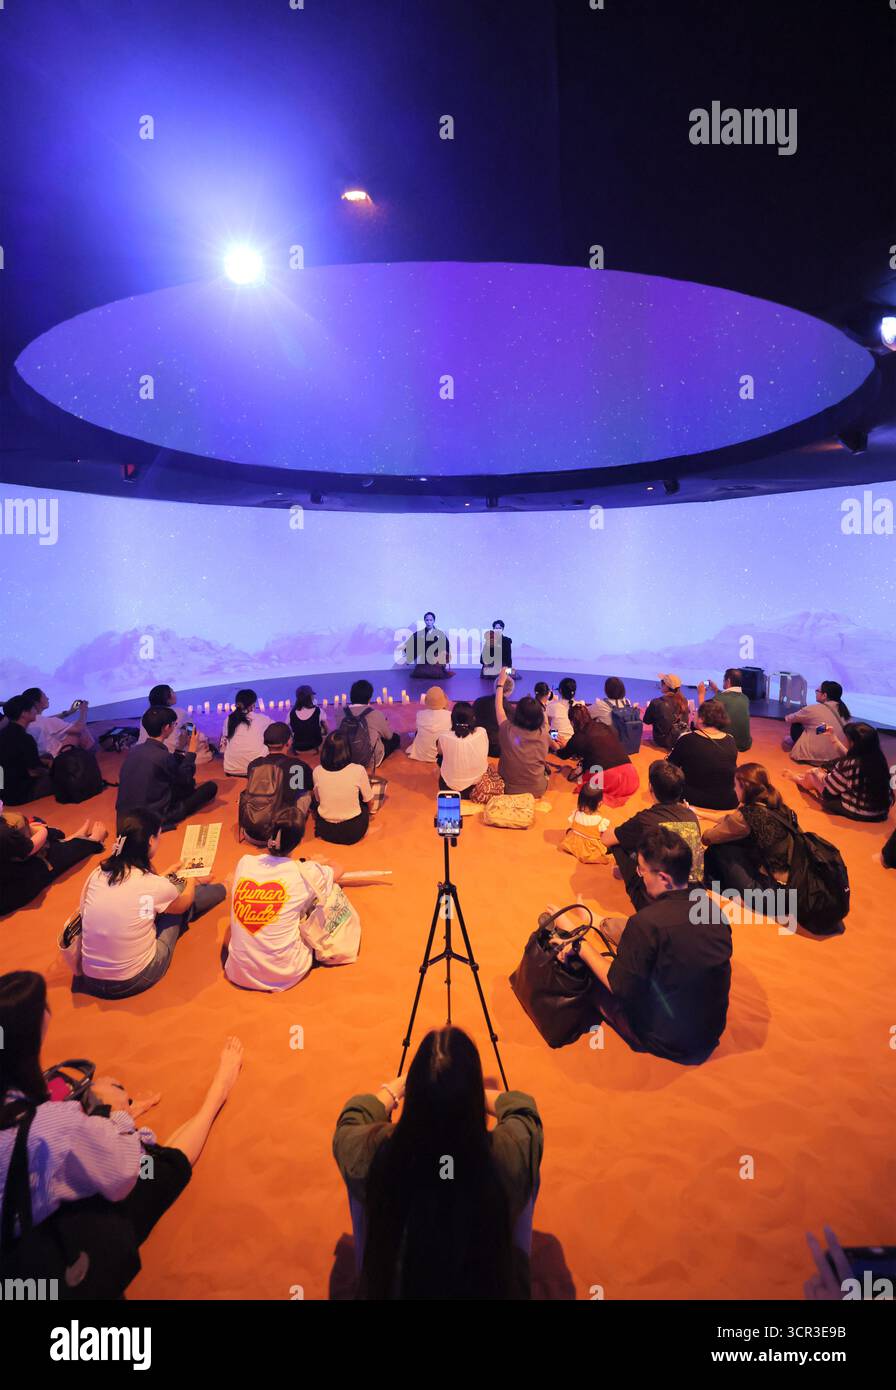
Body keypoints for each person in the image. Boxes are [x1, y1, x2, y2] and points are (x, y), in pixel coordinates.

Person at [0, 970, 242, 1298]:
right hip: (52, 1253)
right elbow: (124, 1173)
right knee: (156, 1166)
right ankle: (218, 1093)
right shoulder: (55, 1123)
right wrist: (111, 1116)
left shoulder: (25, 1103)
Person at [332, 1026, 543, 1299]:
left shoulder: (375, 1152)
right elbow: (523, 1110)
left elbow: (351, 1120)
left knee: (365, 1177)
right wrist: (466, 1091)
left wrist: (398, 1089)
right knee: (527, 1167)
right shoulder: (507, 1153)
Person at [551, 827, 732, 1063]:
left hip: (667, 1039)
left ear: (664, 878)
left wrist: (580, 945)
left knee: (583, 972)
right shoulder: (714, 912)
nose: (640, 875)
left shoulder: (647, 924)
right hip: (708, 1034)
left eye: (642, 870)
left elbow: (618, 986)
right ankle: (594, 924)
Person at [74, 809, 226, 1000]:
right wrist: (192, 878)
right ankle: (224, 888)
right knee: (175, 905)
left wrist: (170, 875)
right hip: (131, 979)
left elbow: (138, 893)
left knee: (161, 898)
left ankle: (215, 889)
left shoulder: (98, 874)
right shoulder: (151, 884)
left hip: (91, 979)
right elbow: (183, 904)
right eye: (159, 836)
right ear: (151, 841)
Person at [225, 826, 346, 991]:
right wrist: (318, 861)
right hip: (286, 972)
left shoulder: (245, 862)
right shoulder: (304, 872)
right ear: (299, 842)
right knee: (326, 893)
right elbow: (338, 869)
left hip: (238, 972)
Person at [602, 760, 703, 909]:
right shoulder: (691, 816)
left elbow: (606, 839)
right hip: (694, 894)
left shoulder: (645, 819)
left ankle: (628, 875)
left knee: (619, 842)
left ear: (651, 788)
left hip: (656, 902)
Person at [702, 763, 799, 897]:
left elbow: (707, 838)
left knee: (720, 848)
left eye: (736, 785)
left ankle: (719, 886)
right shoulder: (780, 807)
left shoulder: (745, 817)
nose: (734, 789)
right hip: (795, 877)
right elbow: (731, 819)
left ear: (744, 788)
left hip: (773, 890)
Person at [116, 706, 217, 832]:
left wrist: (180, 748)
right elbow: (185, 778)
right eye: (173, 724)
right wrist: (191, 750)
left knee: (181, 784)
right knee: (210, 787)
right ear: (166, 728)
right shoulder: (163, 756)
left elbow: (172, 770)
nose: (175, 727)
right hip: (155, 817)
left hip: (125, 816)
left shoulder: (136, 750)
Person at [0, 814, 108, 917]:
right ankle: (92, 841)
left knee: (37, 828)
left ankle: (71, 839)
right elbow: (29, 847)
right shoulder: (3, 833)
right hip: (11, 890)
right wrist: (43, 830)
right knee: (48, 860)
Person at [790, 722, 894, 823]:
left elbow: (830, 789)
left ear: (853, 743)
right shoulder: (878, 759)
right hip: (880, 813)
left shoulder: (849, 764)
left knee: (812, 776)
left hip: (858, 812)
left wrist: (816, 773)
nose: (845, 740)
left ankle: (799, 780)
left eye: (847, 739)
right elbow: (848, 756)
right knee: (828, 774)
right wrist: (832, 737)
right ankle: (805, 778)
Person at [551, 703, 639, 807]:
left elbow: (563, 755)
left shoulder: (578, 737)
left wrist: (556, 747)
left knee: (587, 781)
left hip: (607, 778)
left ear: (572, 722)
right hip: (631, 776)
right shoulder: (604, 726)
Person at [667, 700, 739, 810]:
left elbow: (670, 766)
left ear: (701, 719)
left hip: (693, 797)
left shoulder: (686, 738)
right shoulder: (731, 739)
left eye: (696, 713)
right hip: (727, 800)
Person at [313, 731, 377, 844]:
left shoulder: (317, 771)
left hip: (325, 830)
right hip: (353, 832)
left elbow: (318, 800)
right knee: (364, 803)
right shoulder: (358, 770)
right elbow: (370, 802)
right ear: (348, 750)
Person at [495, 669, 549, 798]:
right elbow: (545, 718)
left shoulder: (507, 730)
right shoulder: (544, 733)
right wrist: (544, 702)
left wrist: (500, 684)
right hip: (537, 790)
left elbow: (499, 707)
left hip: (507, 788)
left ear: (517, 713)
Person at [136, 684, 213, 763]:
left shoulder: (146, 713)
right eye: (172, 691)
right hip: (168, 753)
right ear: (167, 698)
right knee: (201, 738)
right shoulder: (179, 712)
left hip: (142, 751)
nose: (175, 693)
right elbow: (192, 731)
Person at [0, 696, 54, 804]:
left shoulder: (4, 734)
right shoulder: (24, 738)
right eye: (33, 708)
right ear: (24, 713)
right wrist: (53, 771)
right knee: (65, 776)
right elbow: (34, 771)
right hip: (21, 793)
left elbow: (16, 759)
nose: (36, 711)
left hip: (4, 793)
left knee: (47, 757)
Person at [784, 681, 851, 765]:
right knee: (822, 728)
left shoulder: (813, 709)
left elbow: (789, 719)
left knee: (797, 724)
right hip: (838, 759)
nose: (816, 693)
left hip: (813, 758)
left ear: (824, 695)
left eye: (817, 691)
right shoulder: (845, 712)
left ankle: (800, 744)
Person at [246, 722, 313, 804]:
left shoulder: (254, 765)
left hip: (261, 811)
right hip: (288, 814)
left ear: (266, 743)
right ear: (288, 742)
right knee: (306, 795)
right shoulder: (297, 766)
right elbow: (309, 786)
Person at [340, 680, 401, 770]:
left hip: (346, 758)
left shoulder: (340, 713)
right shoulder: (376, 714)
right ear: (369, 698)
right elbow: (388, 736)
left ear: (351, 696)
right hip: (369, 760)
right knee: (395, 738)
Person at [20, 688, 95, 757]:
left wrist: (69, 712)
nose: (47, 698)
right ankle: (91, 757)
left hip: (42, 756)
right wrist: (84, 711)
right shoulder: (45, 721)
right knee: (79, 729)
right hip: (57, 756)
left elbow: (49, 720)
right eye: (44, 696)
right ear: (36, 702)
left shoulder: (30, 720)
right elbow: (78, 728)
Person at [437, 702, 489, 796]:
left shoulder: (444, 736)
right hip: (477, 785)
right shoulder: (482, 732)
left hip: (449, 787)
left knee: (440, 758)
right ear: (473, 718)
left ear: (452, 719)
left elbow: (440, 753)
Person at [221, 689, 272, 776]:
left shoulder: (228, 719)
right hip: (256, 769)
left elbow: (224, 740)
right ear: (253, 704)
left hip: (231, 769)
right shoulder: (262, 719)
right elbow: (277, 729)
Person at [559, 783, 612, 863]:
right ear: (600, 803)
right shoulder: (600, 821)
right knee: (608, 845)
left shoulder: (576, 813)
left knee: (569, 831)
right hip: (590, 849)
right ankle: (588, 855)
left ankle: (576, 850)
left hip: (574, 844)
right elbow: (602, 835)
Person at [702, 669, 752, 752]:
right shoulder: (745, 698)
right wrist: (716, 689)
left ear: (728, 681)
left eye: (723, 680)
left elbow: (702, 715)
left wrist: (701, 694)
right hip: (745, 744)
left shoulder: (719, 699)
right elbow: (728, 697)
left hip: (725, 744)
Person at [642, 674, 690, 750]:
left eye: (662, 683)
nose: (660, 685)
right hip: (681, 738)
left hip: (663, 741)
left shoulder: (656, 702)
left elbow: (646, 721)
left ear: (666, 686)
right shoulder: (684, 701)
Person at [474, 675, 516, 758]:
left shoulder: (479, 701)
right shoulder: (511, 711)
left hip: (478, 745)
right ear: (510, 691)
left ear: (495, 686)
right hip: (497, 750)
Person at [406, 687, 452, 763]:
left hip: (422, 755)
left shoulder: (420, 714)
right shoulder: (449, 715)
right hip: (441, 754)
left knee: (418, 732)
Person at [404, 612, 452, 679]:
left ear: (434, 621)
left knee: (437, 674)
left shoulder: (439, 633)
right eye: (427, 620)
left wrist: (443, 657)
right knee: (419, 673)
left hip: (436, 659)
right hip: (425, 659)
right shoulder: (420, 633)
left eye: (431, 620)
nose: (429, 622)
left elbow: (446, 646)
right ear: (424, 621)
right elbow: (411, 643)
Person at [289, 684, 327, 754]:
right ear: (310, 697)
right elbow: (326, 729)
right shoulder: (319, 711)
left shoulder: (291, 713)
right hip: (315, 745)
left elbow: (288, 730)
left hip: (298, 747)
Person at [546, 677, 578, 744]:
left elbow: (547, 725)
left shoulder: (552, 706)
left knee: (548, 727)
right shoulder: (580, 706)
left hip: (558, 744)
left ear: (560, 691)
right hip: (574, 744)